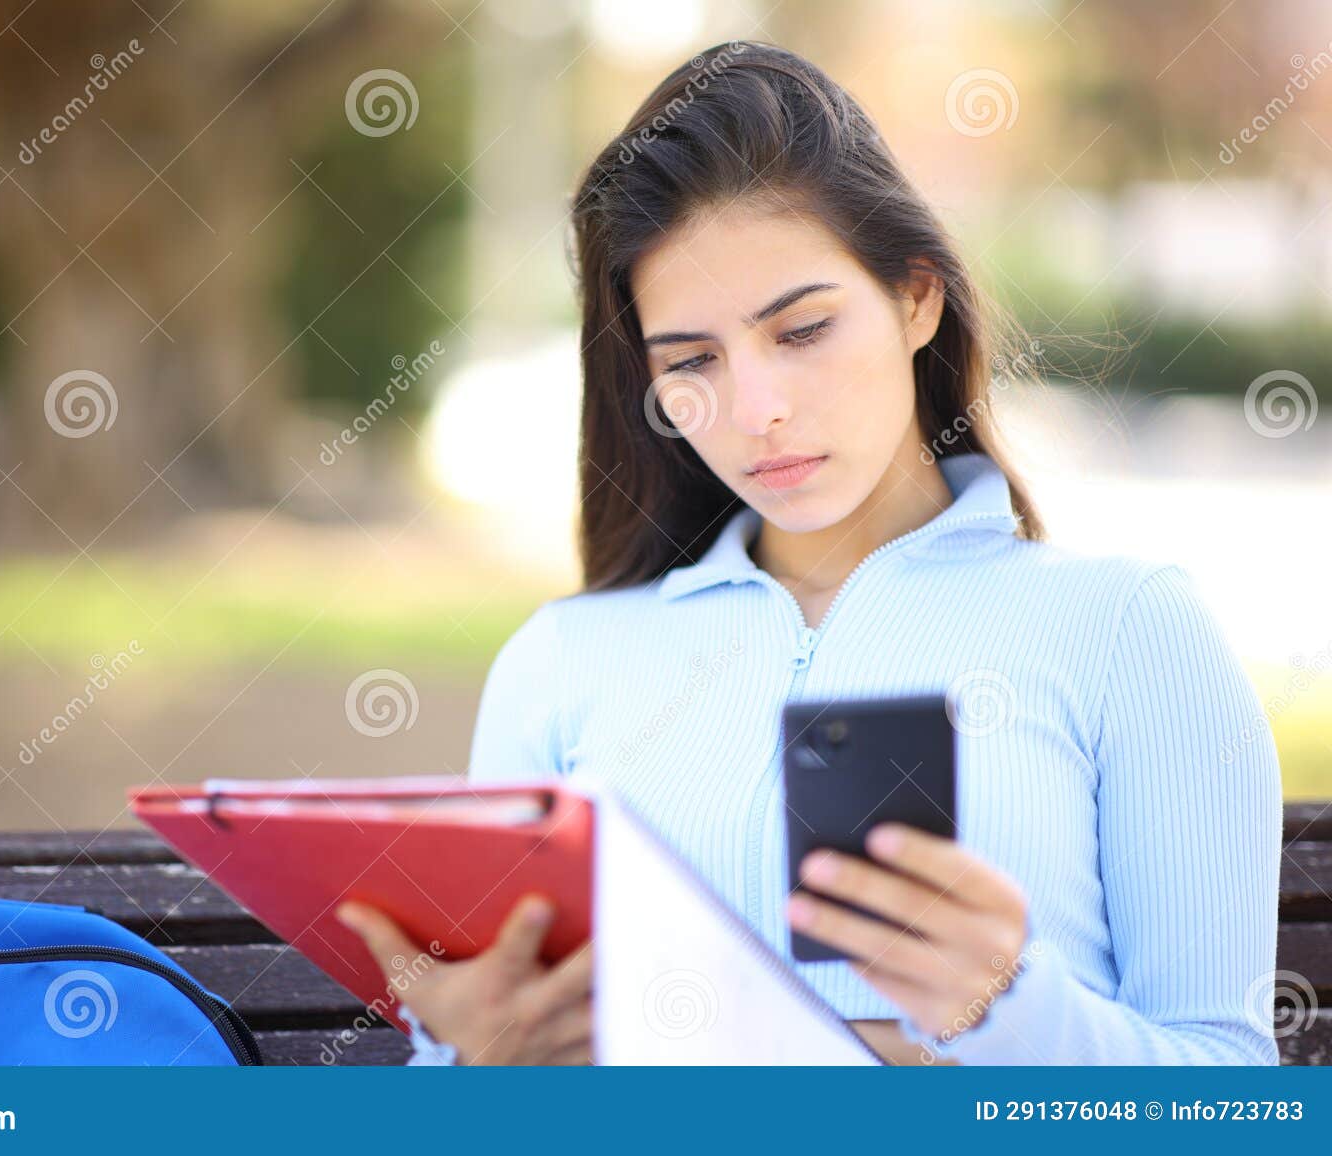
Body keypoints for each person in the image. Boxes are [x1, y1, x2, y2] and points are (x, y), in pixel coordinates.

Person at [337, 40, 1282, 1066]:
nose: (757, 408)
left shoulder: (1123, 629)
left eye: (801, 331)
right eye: (692, 360)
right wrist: (482, 1071)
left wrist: (1002, 1006)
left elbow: (1227, 1102)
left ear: (915, 298)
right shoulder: (558, 663)